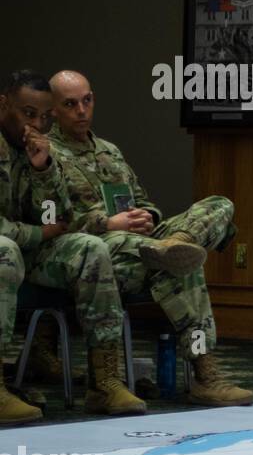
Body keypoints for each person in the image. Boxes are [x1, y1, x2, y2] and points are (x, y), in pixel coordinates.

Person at [43, 70, 253, 407]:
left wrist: (149, 216)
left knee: (219, 204)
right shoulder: (45, 155)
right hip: (97, 252)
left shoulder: (109, 151)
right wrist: (108, 221)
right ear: (52, 110)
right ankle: (204, 371)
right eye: (70, 104)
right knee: (184, 267)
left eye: (87, 100)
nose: (81, 110)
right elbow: (48, 220)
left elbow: (142, 200)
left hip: (141, 244)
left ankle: (174, 243)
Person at [0, 69, 145, 420]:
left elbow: (56, 217)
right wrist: (36, 234)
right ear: (4, 105)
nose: (35, 124)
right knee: (4, 250)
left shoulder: (43, 150)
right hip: (13, 249)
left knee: (90, 249)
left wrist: (43, 169)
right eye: (28, 113)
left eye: (45, 117)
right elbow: (41, 230)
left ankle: (105, 383)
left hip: (35, 253)